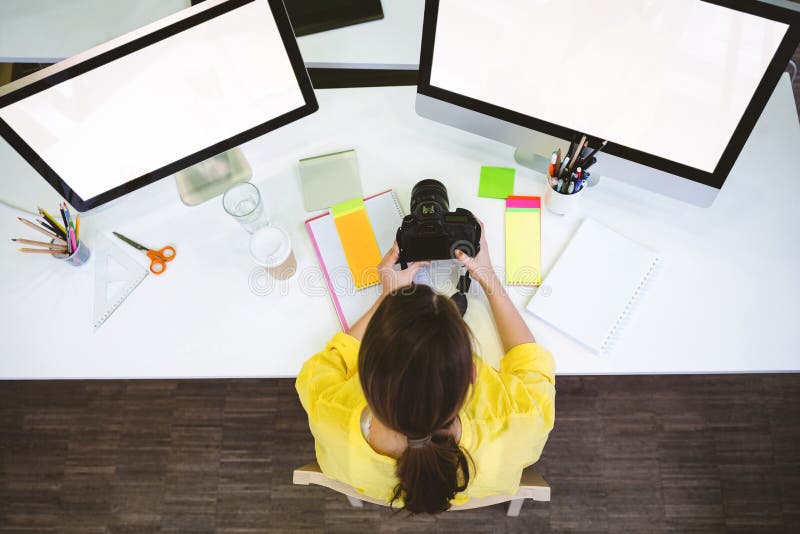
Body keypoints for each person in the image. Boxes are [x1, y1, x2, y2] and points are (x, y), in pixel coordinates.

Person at [296, 225, 555, 515]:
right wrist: (489, 278)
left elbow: (331, 360)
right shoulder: (522, 418)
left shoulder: (326, 408)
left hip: (360, 477)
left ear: (364, 375)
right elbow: (530, 360)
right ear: (472, 374)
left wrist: (386, 298)